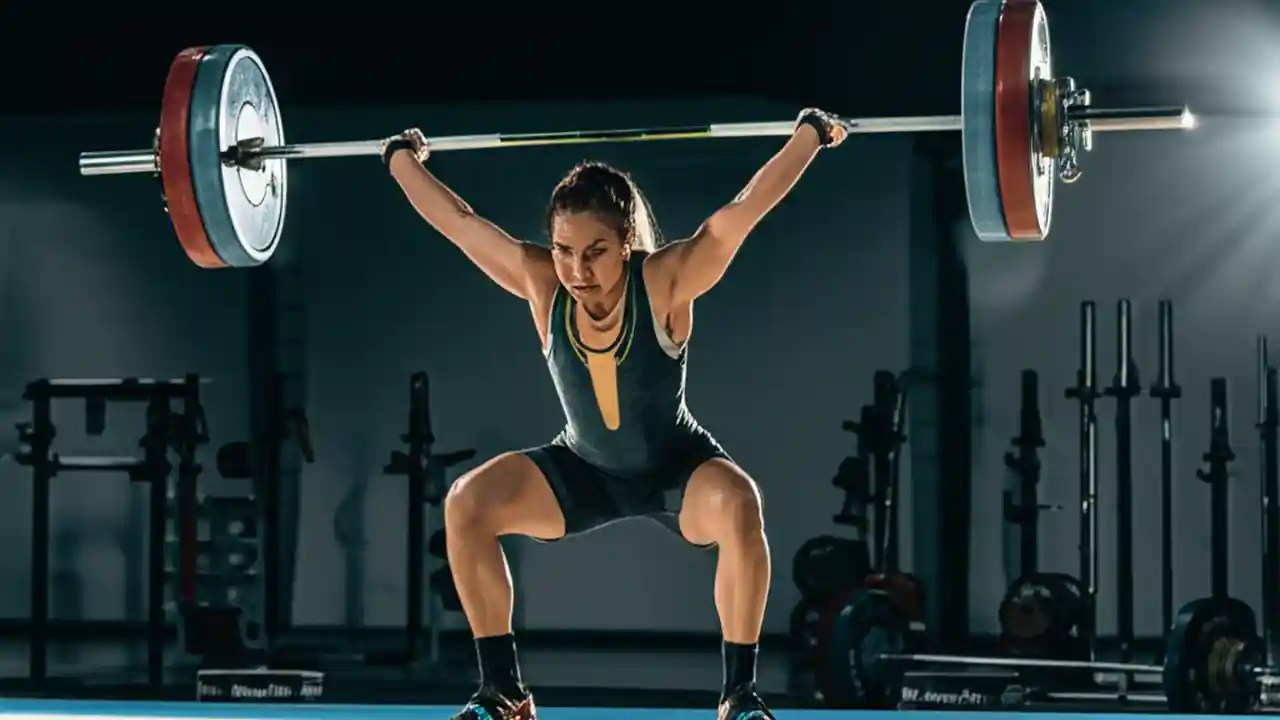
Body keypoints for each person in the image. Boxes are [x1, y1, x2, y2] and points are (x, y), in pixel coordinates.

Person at [379, 108, 848, 720]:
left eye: (596, 251)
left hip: (675, 466)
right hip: (584, 468)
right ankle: (504, 692)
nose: (577, 270)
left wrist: (810, 134)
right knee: (467, 503)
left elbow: (742, 213)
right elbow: (460, 224)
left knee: (740, 504)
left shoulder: (664, 280)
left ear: (626, 244)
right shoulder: (542, 283)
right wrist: (399, 161)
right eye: (565, 251)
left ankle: (739, 696)